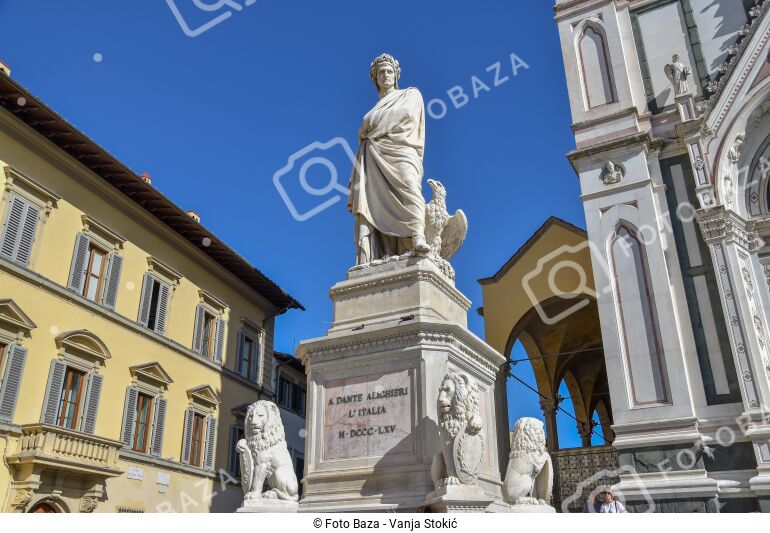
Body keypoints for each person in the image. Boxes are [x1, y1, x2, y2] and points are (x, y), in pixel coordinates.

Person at [348, 53, 431, 265]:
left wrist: (370, 128)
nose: (385, 75)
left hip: (402, 151)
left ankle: (417, 236)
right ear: (375, 79)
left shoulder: (410, 94)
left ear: (396, 76)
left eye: (389, 71)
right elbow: (364, 129)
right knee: (374, 202)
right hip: (374, 157)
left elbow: (405, 115)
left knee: (410, 187)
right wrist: (369, 128)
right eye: (381, 73)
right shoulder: (374, 109)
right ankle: (382, 253)